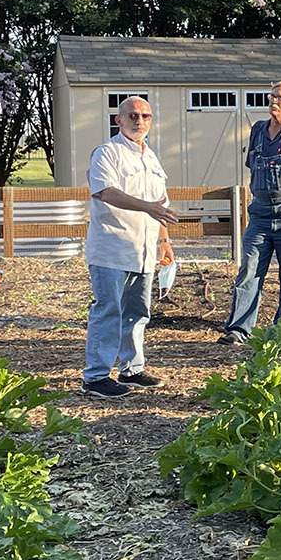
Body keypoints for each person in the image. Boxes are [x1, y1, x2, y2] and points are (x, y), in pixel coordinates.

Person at [82, 96, 180, 398]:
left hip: (145, 250)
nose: (140, 121)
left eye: (146, 116)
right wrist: (147, 207)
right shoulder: (107, 153)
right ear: (119, 120)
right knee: (109, 310)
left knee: (138, 311)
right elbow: (106, 192)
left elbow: (160, 206)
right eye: (133, 115)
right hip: (113, 247)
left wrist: (164, 240)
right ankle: (96, 377)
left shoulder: (151, 157)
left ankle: (132, 369)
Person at [219, 81, 281, 344]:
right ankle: (239, 329)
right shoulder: (258, 131)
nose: (273, 101)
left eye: (280, 97)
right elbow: (253, 167)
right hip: (260, 217)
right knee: (249, 270)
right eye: (272, 96)